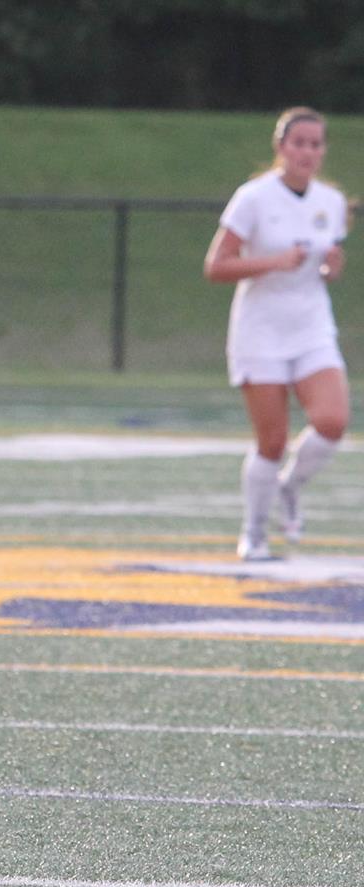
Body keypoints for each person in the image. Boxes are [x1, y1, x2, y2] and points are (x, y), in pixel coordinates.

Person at [203, 106, 350, 562]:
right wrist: (273, 261)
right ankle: (254, 533)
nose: (307, 152)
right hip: (260, 328)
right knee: (271, 441)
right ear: (281, 147)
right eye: (298, 143)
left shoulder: (331, 202)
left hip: (310, 325)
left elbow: (325, 263)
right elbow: (216, 267)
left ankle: (291, 486)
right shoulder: (254, 198)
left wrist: (330, 267)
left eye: (315, 144)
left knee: (332, 421)